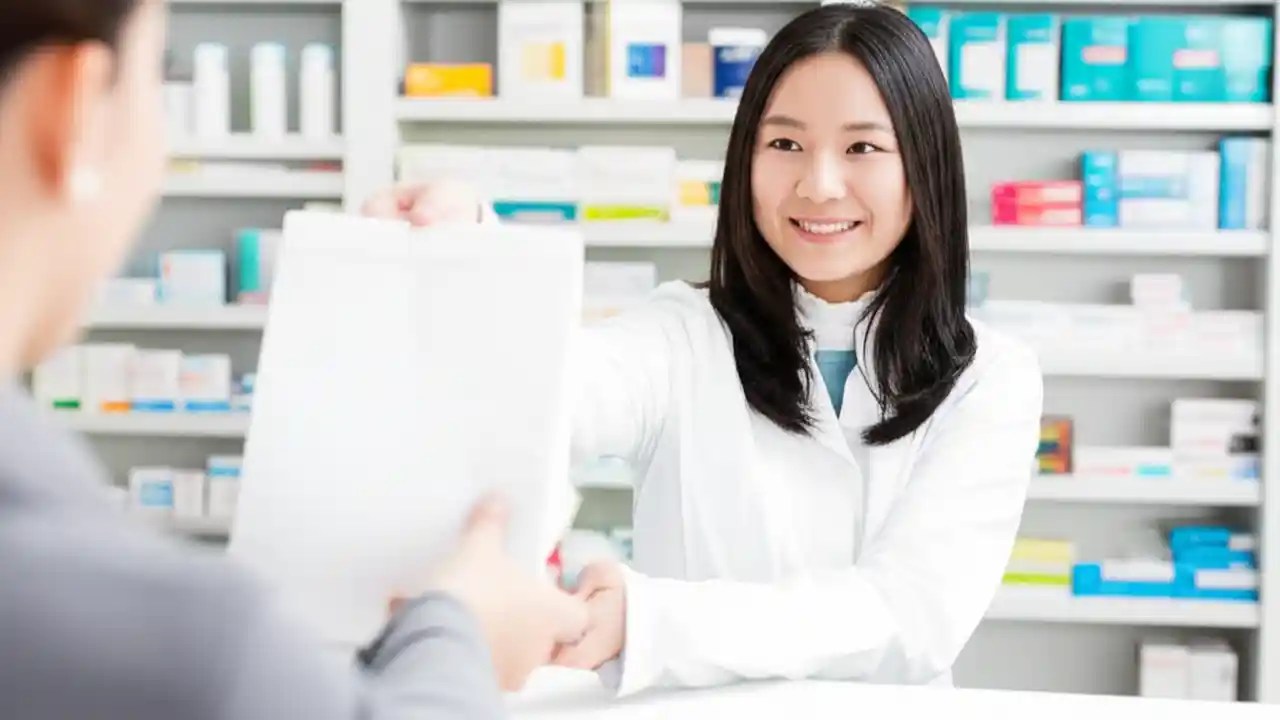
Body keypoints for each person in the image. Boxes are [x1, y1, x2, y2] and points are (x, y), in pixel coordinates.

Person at [365, 3, 1045, 697]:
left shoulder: (990, 379)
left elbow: (911, 616)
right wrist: (472, 249)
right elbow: (545, 401)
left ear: (924, 166)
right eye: (784, 145)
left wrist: (655, 622)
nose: (818, 184)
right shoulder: (682, 336)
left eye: (863, 148)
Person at [0, 2, 586, 718]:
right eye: (158, 79)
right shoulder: (195, 651)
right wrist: (457, 633)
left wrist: (472, 262)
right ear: (75, 108)